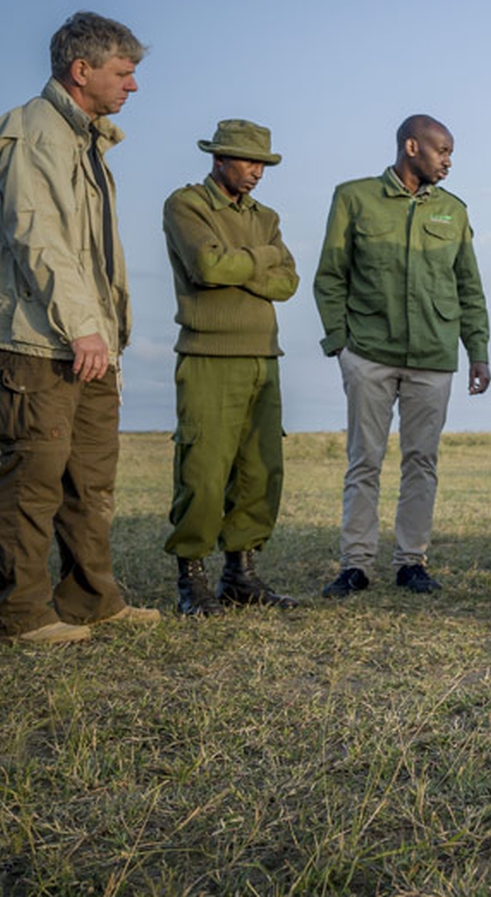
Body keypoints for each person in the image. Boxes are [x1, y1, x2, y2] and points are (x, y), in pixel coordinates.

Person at [0, 11, 161, 644]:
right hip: (39, 340)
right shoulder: (32, 133)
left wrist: (107, 334)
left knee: (90, 479)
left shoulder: (86, 138)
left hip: (88, 342)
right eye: (124, 72)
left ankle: (90, 599)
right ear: (82, 71)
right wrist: (84, 327)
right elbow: (39, 237)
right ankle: (21, 614)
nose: (132, 86)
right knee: (34, 475)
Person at [314, 115, 490, 598]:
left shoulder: (454, 212)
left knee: (421, 461)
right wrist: (340, 345)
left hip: (433, 357)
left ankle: (411, 561)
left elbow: (468, 286)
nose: (448, 161)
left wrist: (479, 351)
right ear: (412, 147)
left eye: (451, 153)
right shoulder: (354, 198)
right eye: (442, 151)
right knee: (364, 459)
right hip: (368, 353)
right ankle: (356, 565)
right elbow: (330, 275)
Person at [161, 120, 303, 615]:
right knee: (202, 469)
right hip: (208, 355)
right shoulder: (187, 205)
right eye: (247, 161)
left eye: (262, 163)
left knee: (261, 471)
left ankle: (241, 576)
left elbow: (289, 283)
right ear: (218, 158)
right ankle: (191, 581)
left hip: (265, 355)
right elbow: (207, 268)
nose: (257, 172)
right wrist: (261, 260)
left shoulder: (266, 216)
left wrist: (240, 267)